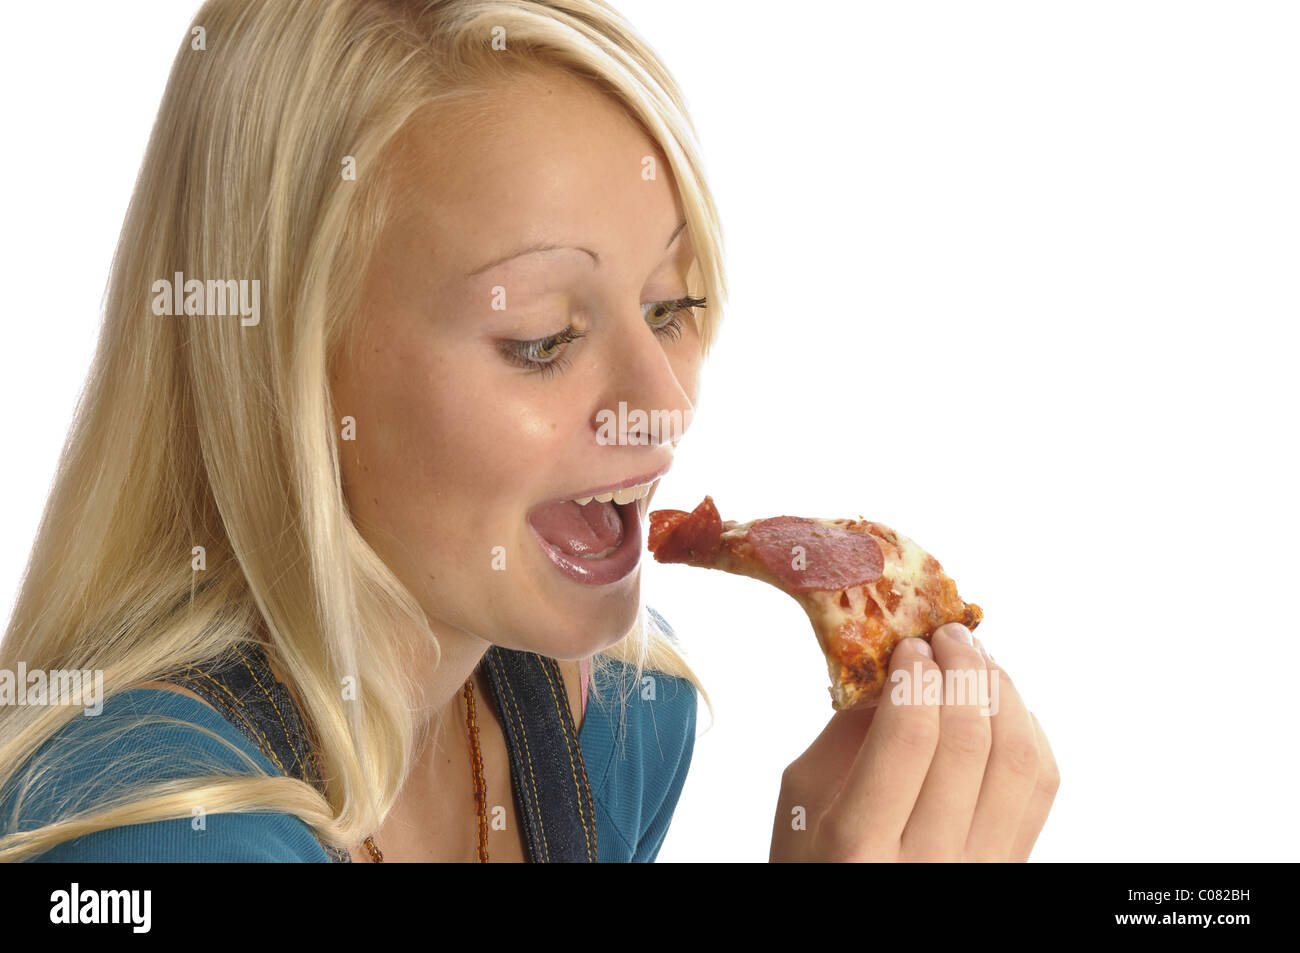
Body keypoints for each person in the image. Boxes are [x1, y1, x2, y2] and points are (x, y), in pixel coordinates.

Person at [0, 0, 1056, 864]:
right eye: (543, 338)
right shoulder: (159, 828)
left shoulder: (626, 721)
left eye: (672, 306)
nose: (662, 404)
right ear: (282, 371)